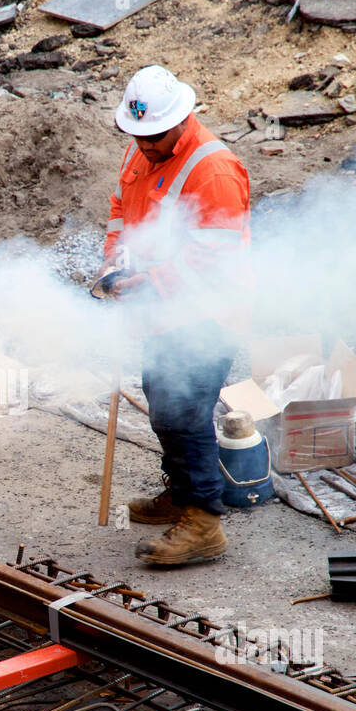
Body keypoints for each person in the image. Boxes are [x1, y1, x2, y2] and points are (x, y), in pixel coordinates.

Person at [95, 66, 252, 566]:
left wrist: (153, 281)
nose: (144, 145)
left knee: (185, 412)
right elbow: (122, 210)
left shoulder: (214, 169)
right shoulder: (141, 148)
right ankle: (181, 494)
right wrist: (115, 262)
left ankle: (203, 522)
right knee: (162, 403)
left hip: (207, 313)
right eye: (135, 135)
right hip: (162, 312)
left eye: (154, 136)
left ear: (182, 121)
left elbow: (217, 253)